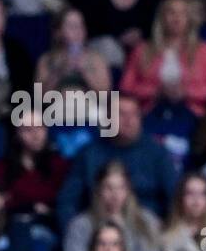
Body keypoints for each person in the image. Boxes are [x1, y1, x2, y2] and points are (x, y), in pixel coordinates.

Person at [56, 96, 177, 226]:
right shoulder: (89, 154)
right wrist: (73, 233)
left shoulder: (157, 154)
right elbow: (67, 202)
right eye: (121, 114)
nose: (128, 120)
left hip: (145, 228)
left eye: (134, 114)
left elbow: (176, 199)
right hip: (98, 230)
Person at [120, 0, 206, 117]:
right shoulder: (142, 49)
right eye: (171, 12)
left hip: (194, 115)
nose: (177, 18)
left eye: (183, 13)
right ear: (161, 18)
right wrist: (156, 91)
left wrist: (187, 92)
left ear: (189, 18)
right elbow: (126, 87)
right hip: (149, 114)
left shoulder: (205, 50)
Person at [63, 161, 163, 251]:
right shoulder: (80, 225)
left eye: (121, 187)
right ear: (99, 190)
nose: (115, 195)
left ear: (128, 190)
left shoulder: (147, 221)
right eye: (108, 188)